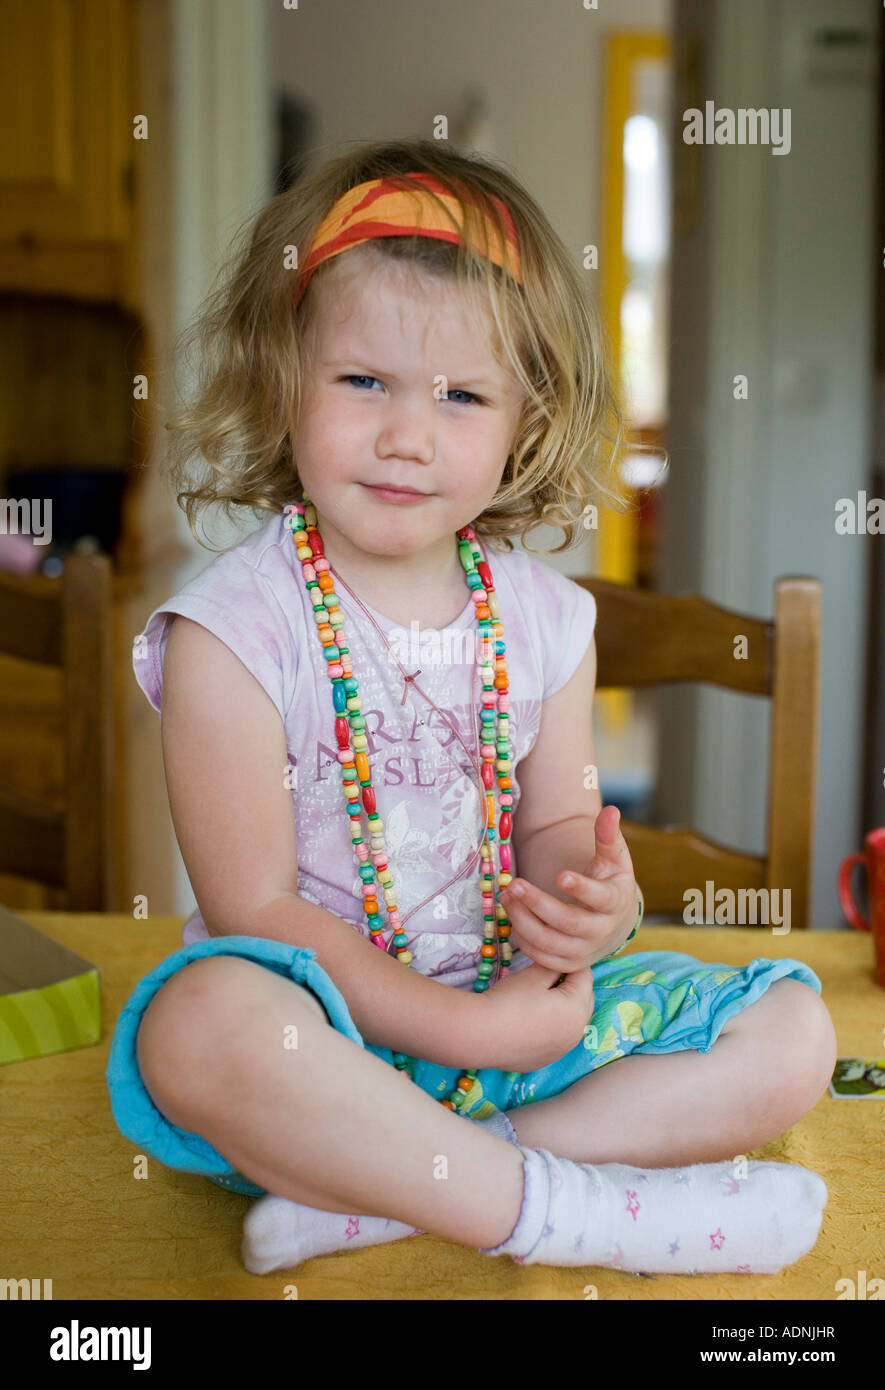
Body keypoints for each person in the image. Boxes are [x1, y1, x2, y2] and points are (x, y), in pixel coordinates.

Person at [106, 139, 836, 1277]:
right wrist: (462, 1030)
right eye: (363, 381)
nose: (410, 433)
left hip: (516, 1029)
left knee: (793, 1036)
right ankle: (575, 1210)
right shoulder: (231, 634)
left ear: (524, 421)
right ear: (281, 375)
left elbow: (556, 827)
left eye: (461, 395)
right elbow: (255, 909)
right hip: (331, 1051)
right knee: (191, 1024)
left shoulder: (548, 622)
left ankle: (401, 1189)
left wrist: (595, 902)